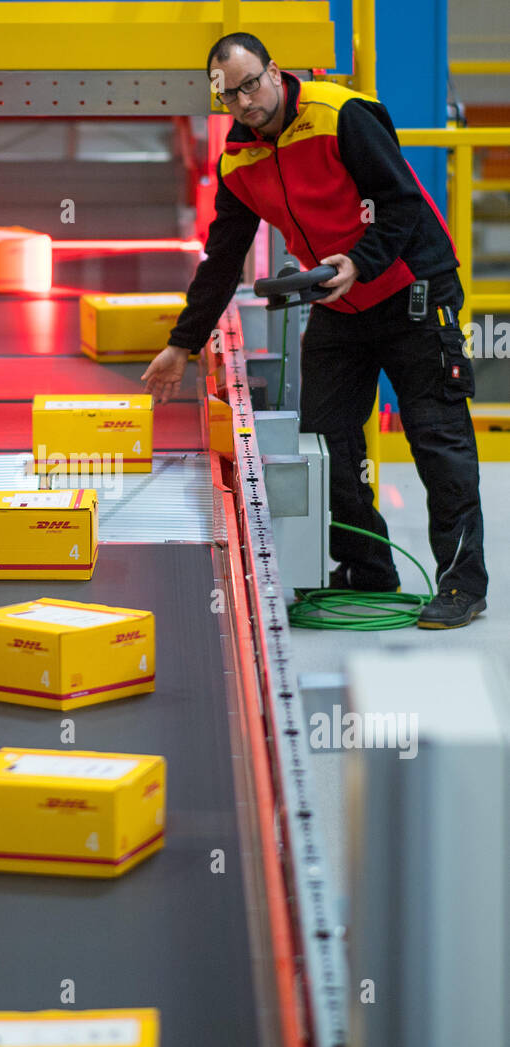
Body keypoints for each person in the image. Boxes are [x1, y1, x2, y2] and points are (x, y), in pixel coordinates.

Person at [141, 32, 487, 629]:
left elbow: (400, 202)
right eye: (230, 95)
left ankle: (462, 583)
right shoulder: (239, 161)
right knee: (326, 440)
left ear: (274, 72)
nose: (245, 102)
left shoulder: (339, 115)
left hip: (411, 288)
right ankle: (367, 565)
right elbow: (222, 258)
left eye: (251, 83)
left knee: (436, 437)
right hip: (339, 300)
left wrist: (360, 263)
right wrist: (182, 342)